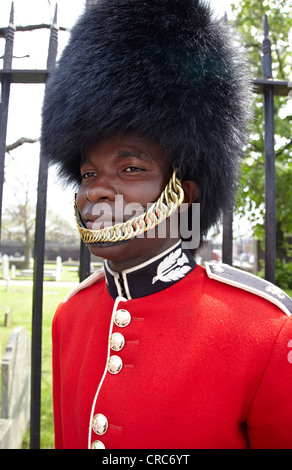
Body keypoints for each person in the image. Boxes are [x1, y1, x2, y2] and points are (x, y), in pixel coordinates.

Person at [41, 0, 292, 449]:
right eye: (88, 173)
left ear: (186, 193)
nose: (95, 191)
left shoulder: (264, 330)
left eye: (132, 168)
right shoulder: (69, 317)